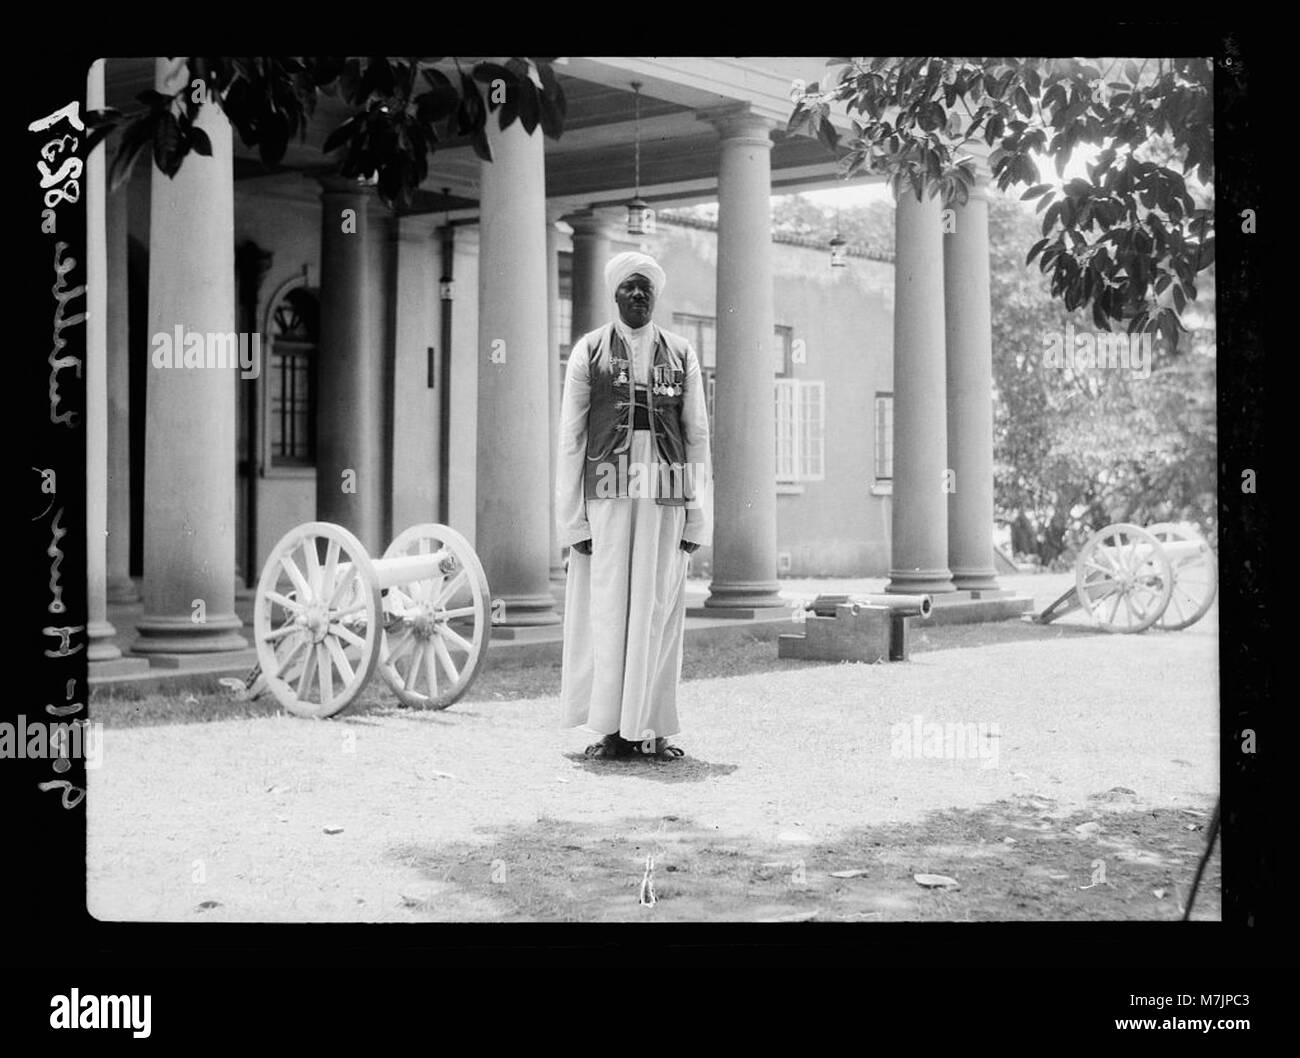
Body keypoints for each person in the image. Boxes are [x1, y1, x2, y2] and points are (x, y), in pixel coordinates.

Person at [556, 250, 712, 760]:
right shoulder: (589, 351)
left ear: (657, 295)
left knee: (656, 606)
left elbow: (697, 436)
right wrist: (572, 519)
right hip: (608, 484)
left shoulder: (681, 353)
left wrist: (696, 513)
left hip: (665, 486)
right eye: (630, 287)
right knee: (608, 607)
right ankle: (607, 727)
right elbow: (570, 436)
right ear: (615, 294)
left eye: (646, 287)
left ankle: (650, 727)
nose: (639, 294)